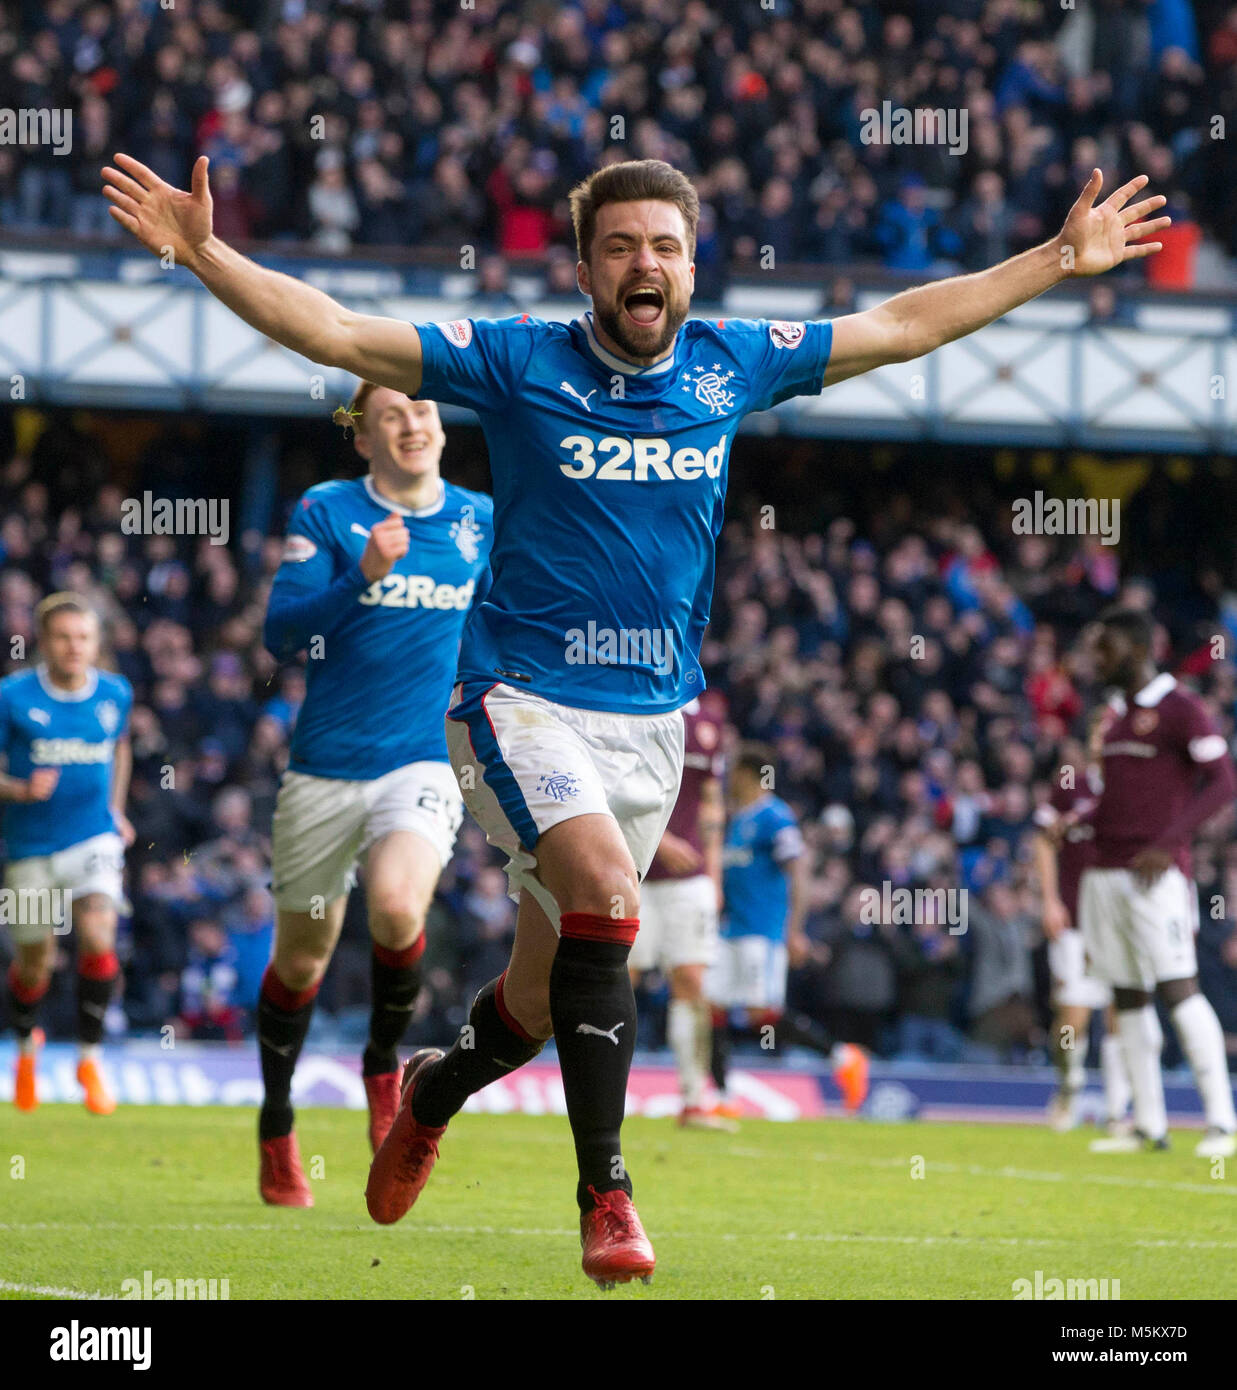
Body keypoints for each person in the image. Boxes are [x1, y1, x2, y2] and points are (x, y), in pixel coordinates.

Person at [103, 147, 1169, 1287]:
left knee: (533, 996)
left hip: (651, 722)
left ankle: (433, 1090)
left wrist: (1056, 258)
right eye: (618, 247)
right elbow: (338, 333)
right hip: (515, 699)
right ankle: (605, 1196)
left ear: (693, 268)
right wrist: (207, 254)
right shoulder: (517, 358)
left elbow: (901, 326)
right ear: (583, 270)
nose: (642, 263)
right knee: (612, 897)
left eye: (664, 245)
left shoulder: (734, 362)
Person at [255, 381, 492, 1206]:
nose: (411, 424)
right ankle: (276, 1124)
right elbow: (282, 635)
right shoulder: (327, 511)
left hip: (423, 760)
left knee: (396, 908)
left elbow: (510, 624)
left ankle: (382, 1065)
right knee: (300, 960)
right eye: (389, 415)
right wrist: (362, 574)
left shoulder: (479, 520)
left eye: (421, 410)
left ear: (440, 426)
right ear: (362, 438)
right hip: (325, 766)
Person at [1078, 608, 1237, 1157]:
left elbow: (1223, 782)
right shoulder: (1115, 716)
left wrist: (1169, 843)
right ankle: (1149, 1125)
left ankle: (1223, 1123)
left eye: (1107, 649)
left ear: (1140, 649)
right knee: (1126, 995)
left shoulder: (1180, 707)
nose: (1098, 660)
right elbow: (1119, 798)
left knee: (1178, 987)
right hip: (1105, 872)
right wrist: (1080, 822)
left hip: (1156, 877)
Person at [1, 595, 134, 1114]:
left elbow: (120, 747)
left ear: (96, 642)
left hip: (93, 838)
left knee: (99, 933)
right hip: (30, 847)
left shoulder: (115, 693)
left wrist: (116, 809)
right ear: (43, 640)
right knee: (36, 960)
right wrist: (18, 790)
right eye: (63, 637)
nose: (74, 647)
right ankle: (24, 1047)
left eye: (83, 637)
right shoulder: (13, 695)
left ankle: (89, 1058)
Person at [710, 744, 869, 1115]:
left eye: (733, 772)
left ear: (748, 774)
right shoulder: (737, 820)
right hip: (730, 930)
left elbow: (798, 870)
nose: (728, 779)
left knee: (761, 1013)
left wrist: (795, 930)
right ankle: (722, 1097)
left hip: (762, 932)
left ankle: (843, 1057)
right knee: (711, 1006)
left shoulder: (775, 816)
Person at [627, 696, 729, 1129]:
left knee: (691, 981)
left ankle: (694, 1099)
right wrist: (659, 840)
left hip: (689, 881)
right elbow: (609, 786)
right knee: (617, 978)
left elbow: (710, 800)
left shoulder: (707, 723)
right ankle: (599, 1094)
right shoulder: (630, 704)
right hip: (631, 871)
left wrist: (714, 875)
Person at [1032, 727, 1131, 1133]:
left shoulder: (1137, 785)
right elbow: (1043, 841)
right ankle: (1069, 1084)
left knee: (1121, 1015)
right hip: (1074, 919)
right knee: (1072, 1017)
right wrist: (1049, 899)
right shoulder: (1071, 784)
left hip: (1121, 922)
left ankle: (1117, 1109)